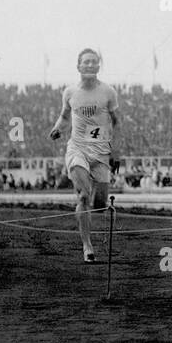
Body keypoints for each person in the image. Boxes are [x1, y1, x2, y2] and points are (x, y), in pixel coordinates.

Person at [50, 48, 120, 264]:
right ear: (78, 66)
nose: (90, 65)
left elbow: (116, 122)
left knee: (99, 203)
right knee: (82, 195)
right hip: (77, 148)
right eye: (86, 62)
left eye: (94, 62)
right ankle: (87, 246)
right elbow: (64, 117)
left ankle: (98, 215)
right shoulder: (70, 92)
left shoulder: (108, 92)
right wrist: (57, 129)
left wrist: (116, 151)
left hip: (100, 151)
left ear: (99, 66)